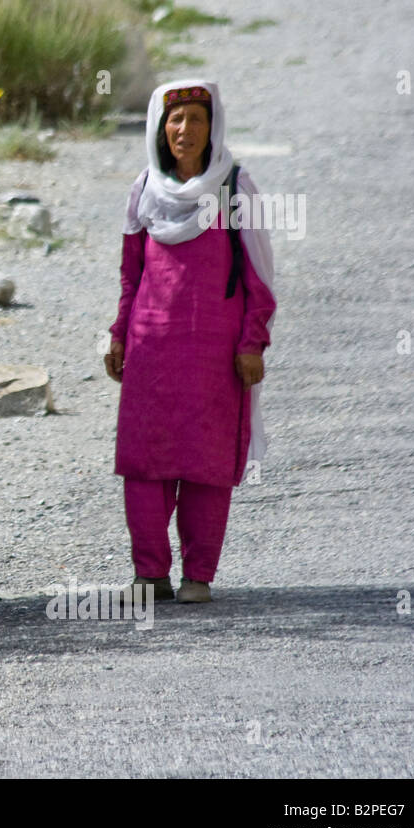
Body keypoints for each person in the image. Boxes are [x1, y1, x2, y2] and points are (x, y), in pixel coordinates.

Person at [105, 79, 276, 603]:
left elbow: (259, 278)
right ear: (161, 127)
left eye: (197, 120)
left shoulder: (235, 188)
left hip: (216, 354)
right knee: (143, 460)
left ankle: (198, 576)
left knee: (205, 463)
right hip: (150, 348)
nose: (185, 130)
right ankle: (149, 574)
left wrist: (252, 343)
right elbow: (131, 276)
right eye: (175, 120)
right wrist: (118, 335)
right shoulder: (145, 189)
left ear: (213, 126)